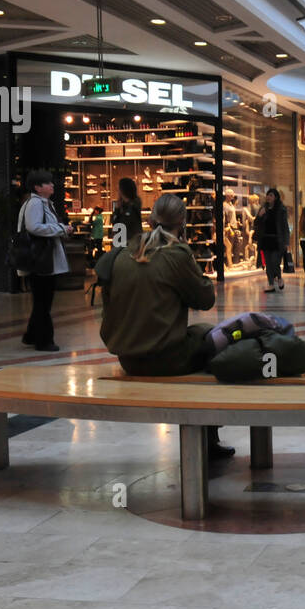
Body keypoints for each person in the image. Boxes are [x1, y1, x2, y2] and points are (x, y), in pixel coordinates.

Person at [99, 195, 231, 459]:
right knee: (215, 338)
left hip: (128, 357)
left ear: (150, 219)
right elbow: (205, 298)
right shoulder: (176, 255)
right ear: (182, 222)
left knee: (199, 333)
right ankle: (208, 439)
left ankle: (208, 438)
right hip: (165, 358)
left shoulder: (125, 253)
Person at [17, 170, 70, 353]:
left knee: (41, 300)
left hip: (42, 259)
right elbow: (33, 227)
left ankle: (31, 335)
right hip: (41, 260)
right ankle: (44, 340)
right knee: (43, 301)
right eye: (47, 183)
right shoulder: (35, 204)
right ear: (37, 188)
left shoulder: (41, 203)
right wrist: (61, 229)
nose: (52, 185)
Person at [256, 187, 290, 293]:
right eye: (267, 195)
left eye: (271, 195)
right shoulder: (263, 209)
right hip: (266, 240)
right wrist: (259, 217)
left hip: (277, 240)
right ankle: (271, 284)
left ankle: (279, 277)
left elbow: (285, 226)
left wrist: (287, 242)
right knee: (268, 264)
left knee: (275, 261)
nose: (268, 197)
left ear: (275, 197)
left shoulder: (281, 210)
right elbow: (256, 224)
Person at [110, 177, 142, 248]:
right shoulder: (125, 206)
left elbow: (120, 225)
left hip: (127, 246)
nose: (117, 191)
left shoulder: (131, 208)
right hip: (124, 244)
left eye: (118, 189)